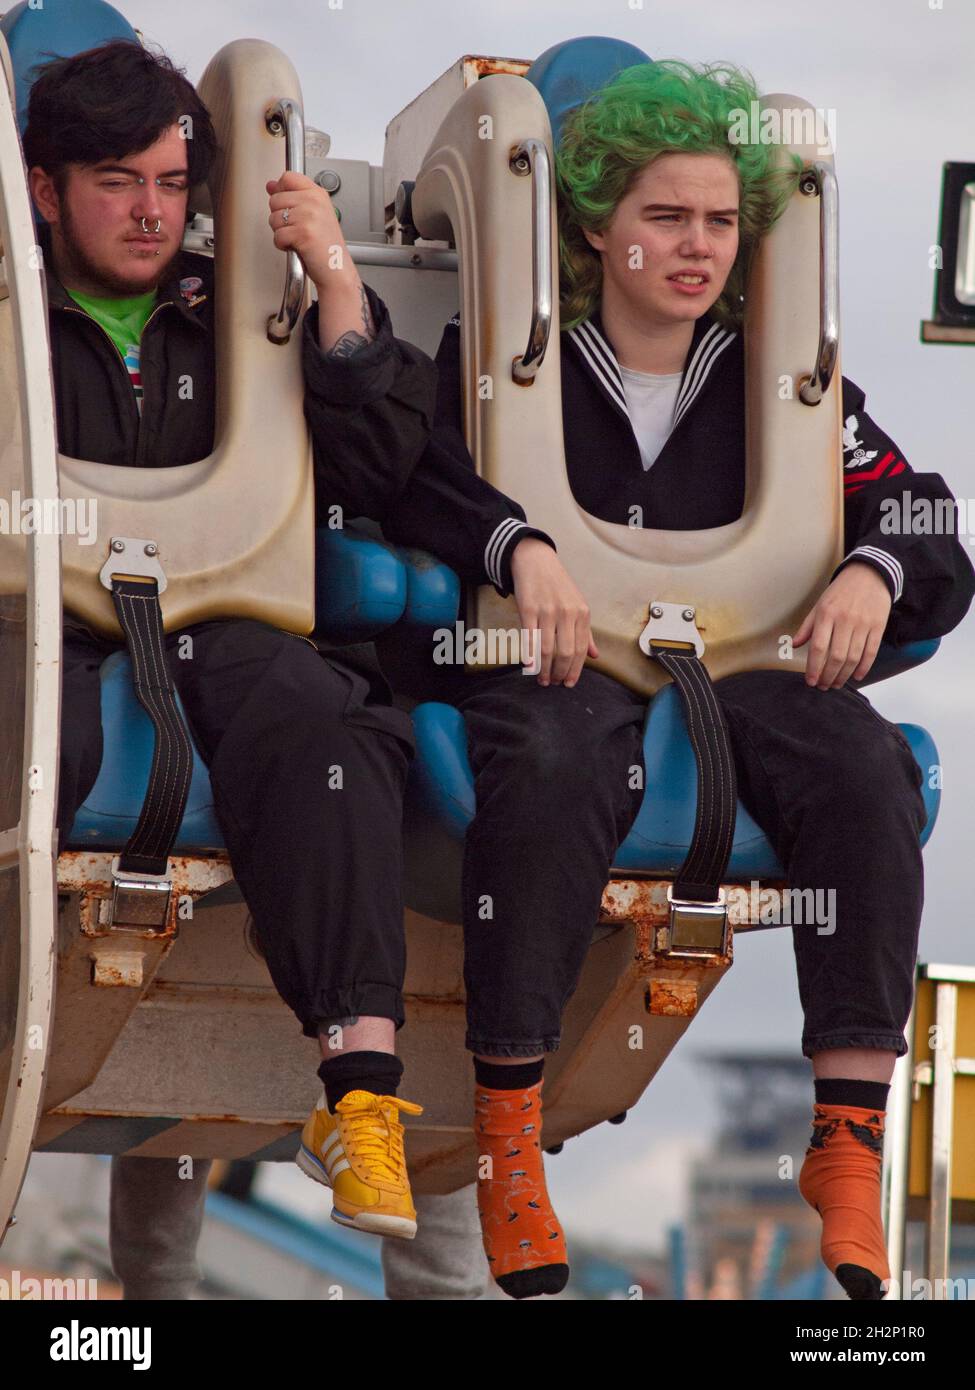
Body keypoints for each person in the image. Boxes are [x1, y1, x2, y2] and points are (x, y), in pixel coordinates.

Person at [375, 59, 975, 1299]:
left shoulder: (786, 386)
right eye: (665, 217)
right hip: (561, 663)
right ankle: (508, 1134)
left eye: (717, 221)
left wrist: (873, 567)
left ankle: (848, 1143)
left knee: (862, 764)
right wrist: (516, 543)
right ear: (597, 225)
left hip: (736, 666)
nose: (696, 248)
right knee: (545, 758)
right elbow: (413, 476)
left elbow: (924, 513)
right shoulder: (503, 365)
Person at [21, 38, 532, 1286]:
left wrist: (339, 288)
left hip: (221, 617)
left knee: (325, 724)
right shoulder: (15, 321)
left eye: (170, 183)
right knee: (37, 727)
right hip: (42, 623)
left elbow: (379, 467)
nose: (151, 213)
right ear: (42, 191)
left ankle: (358, 1091)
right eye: (115, 183)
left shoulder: (231, 319)